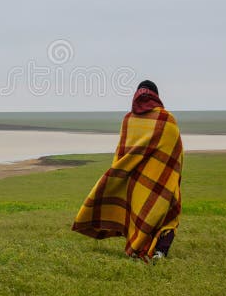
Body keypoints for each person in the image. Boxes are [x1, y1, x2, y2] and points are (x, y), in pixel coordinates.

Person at [71, 80, 183, 261]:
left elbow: (122, 152)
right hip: (161, 180)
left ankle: (138, 250)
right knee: (165, 214)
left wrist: (117, 174)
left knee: (137, 214)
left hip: (134, 181)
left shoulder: (128, 119)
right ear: (157, 96)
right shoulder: (166, 119)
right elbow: (174, 153)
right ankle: (159, 252)